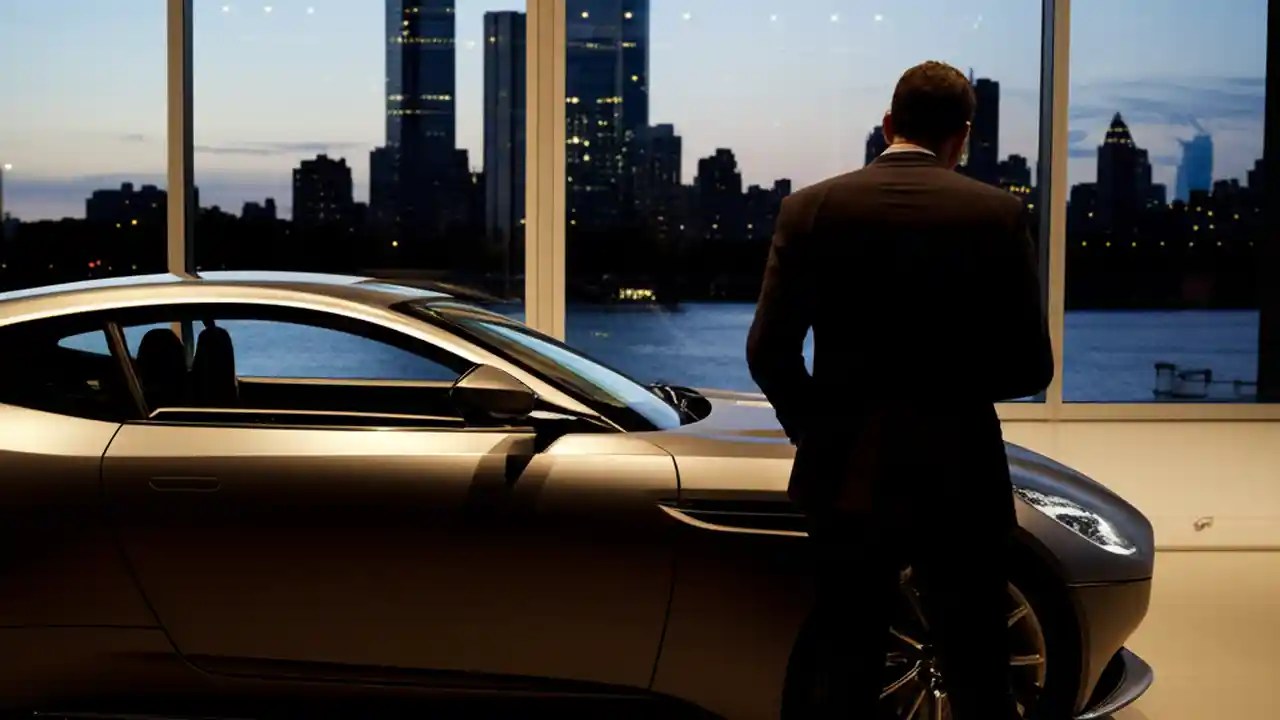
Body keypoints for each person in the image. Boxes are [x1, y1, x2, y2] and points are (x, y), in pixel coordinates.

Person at [746, 61, 1055, 719]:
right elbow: (1031, 368)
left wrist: (821, 429)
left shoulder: (810, 209)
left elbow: (768, 352)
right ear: (963, 137)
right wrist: (952, 390)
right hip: (960, 476)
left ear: (888, 125)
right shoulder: (997, 214)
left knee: (847, 665)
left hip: (845, 476)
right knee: (977, 669)